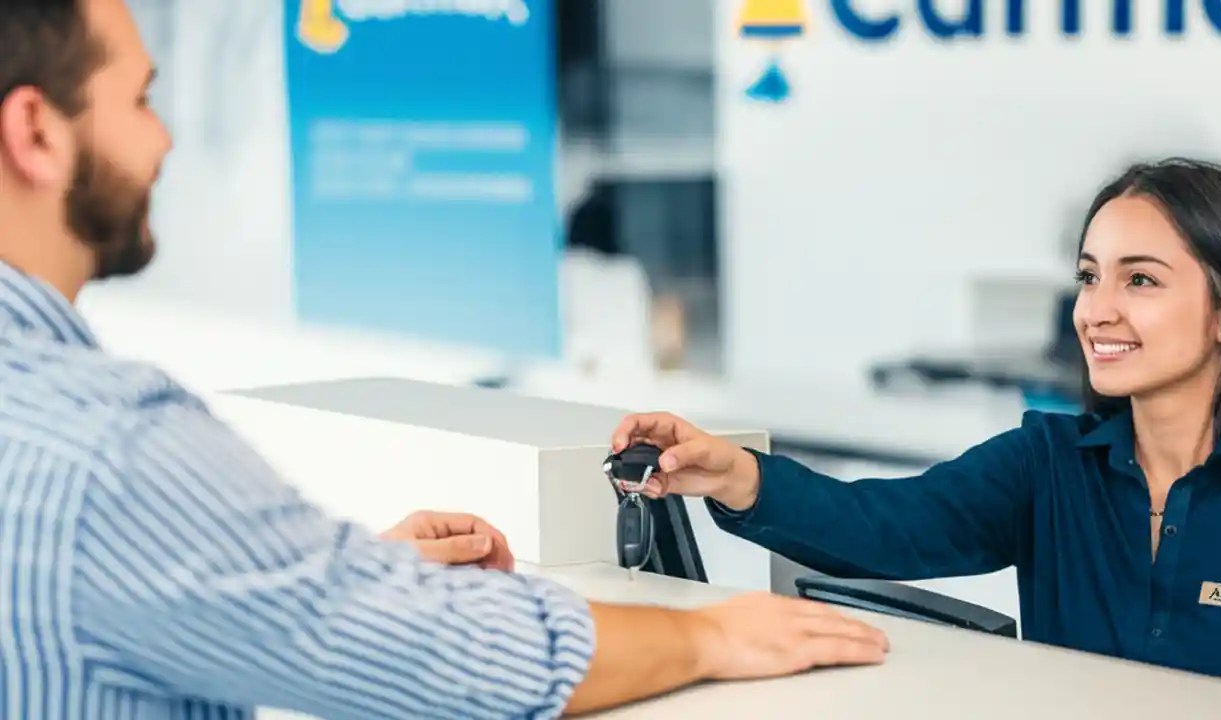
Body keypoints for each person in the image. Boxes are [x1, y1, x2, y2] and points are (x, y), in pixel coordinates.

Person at [0, 1, 889, 717]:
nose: (162, 143)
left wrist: (331, 580)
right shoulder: (109, 448)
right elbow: (460, 662)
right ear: (36, 133)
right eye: (140, 102)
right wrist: (714, 639)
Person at [612, 157, 1221, 689]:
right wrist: (740, 478)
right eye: (1088, 277)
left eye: (1140, 281)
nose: (1095, 311)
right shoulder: (1045, 465)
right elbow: (885, 525)